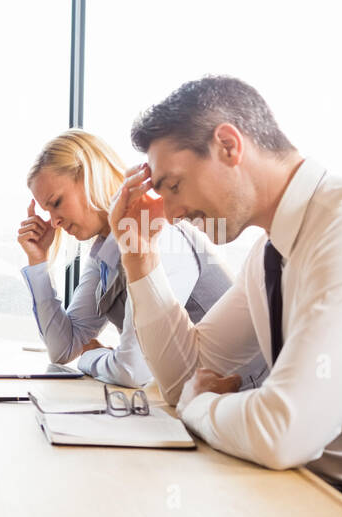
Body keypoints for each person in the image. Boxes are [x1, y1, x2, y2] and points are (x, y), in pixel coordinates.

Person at [113, 75, 342, 512]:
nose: (171, 214)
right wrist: (140, 258)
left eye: (173, 185)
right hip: (307, 495)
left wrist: (202, 405)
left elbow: (283, 433)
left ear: (229, 146)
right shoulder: (268, 254)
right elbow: (184, 379)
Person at [17, 129, 257, 388]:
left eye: (57, 202)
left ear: (89, 178)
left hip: (236, 398)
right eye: (47, 211)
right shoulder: (104, 253)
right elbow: (63, 348)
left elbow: (132, 370)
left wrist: (90, 356)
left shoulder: (159, 235)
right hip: (189, 397)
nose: (54, 221)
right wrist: (38, 264)